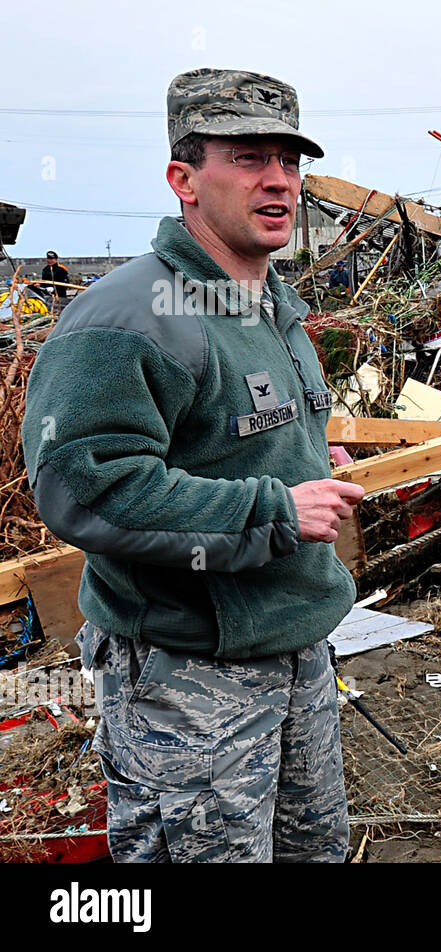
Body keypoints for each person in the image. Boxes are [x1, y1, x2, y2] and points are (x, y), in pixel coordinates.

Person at [22, 68, 364, 862]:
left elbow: (229, 435)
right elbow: (87, 486)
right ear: (183, 178)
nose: (278, 179)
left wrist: (309, 456)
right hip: (188, 678)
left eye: (289, 159)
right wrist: (273, 510)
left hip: (296, 647)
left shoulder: (266, 303)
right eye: (247, 157)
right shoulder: (129, 315)